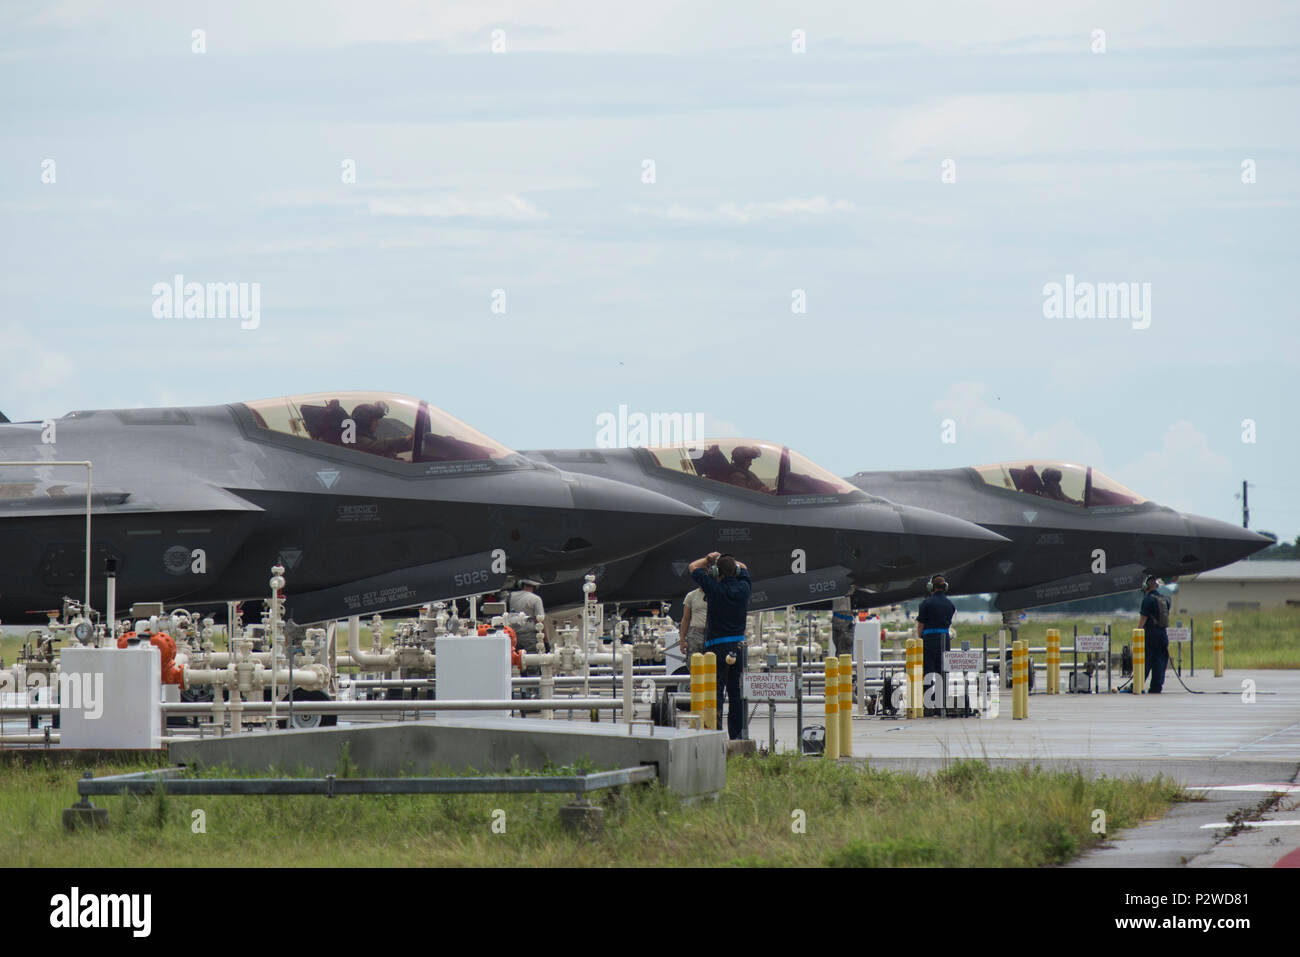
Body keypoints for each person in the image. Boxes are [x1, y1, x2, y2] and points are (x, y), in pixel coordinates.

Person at [688, 551, 751, 739]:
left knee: (714, 695)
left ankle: (713, 736)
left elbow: (693, 567)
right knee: (737, 695)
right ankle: (737, 737)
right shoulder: (744, 588)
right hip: (738, 648)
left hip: (715, 650)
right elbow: (744, 568)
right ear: (736, 570)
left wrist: (709, 559)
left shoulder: (714, 589)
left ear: (716, 572)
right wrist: (729, 562)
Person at [915, 574, 955, 716]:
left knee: (928, 673)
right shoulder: (950, 604)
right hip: (945, 639)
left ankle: (928, 705)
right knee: (942, 673)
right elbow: (949, 623)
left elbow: (921, 625)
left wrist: (919, 637)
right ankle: (940, 704)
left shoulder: (926, 603)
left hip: (929, 640)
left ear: (931, 587)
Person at [1137, 575, 1169, 693]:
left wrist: (1137, 635)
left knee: (1145, 661)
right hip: (1162, 635)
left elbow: (1142, 620)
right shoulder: (1164, 599)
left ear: (1146, 586)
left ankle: (1138, 685)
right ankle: (1156, 687)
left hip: (1150, 635)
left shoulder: (1147, 600)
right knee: (1160, 661)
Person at [507, 579, 546, 675]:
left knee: (513, 663)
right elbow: (540, 620)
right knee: (532, 664)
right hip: (529, 638)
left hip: (512, 636)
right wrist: (546, 640)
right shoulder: (535, 599)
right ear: (533, 587)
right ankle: (531, 688)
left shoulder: (511, 596)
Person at [679, 586, 708, 659]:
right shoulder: (691, 595)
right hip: (695, 633)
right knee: (694, 661)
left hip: (712, 633)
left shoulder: (717, 594)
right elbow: (686, 619)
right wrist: (682, 639)